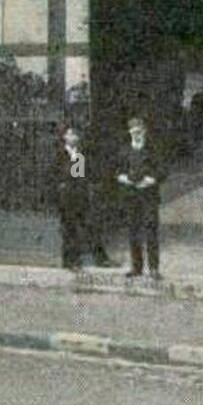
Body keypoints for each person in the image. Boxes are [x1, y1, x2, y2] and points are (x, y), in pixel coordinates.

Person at [56, 125, 113, 270]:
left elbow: (81, 175)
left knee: (91, 226)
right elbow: (55, 175)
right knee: (70, 230)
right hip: (66, 197)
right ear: (64, 137)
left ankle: (100, 258)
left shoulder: (80, 154)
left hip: (81, 196)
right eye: (70, 134)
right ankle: (70, 261)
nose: (73, 137)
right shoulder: (59, 154)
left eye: (75, 134)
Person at [116, 114, 163, 280]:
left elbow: (161, 170)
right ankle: (136, 267)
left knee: (151, 231)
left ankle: (154, 268)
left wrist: (151, 180)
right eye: (133, 131)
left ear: (145, 131)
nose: (137, 134)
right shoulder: (124, 151)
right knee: (133, 232)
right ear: (129, 133)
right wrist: (124, 179)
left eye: (139, 131)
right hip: (131, 195)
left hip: (149, 195)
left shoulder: (153, 150)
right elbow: (118, 171)